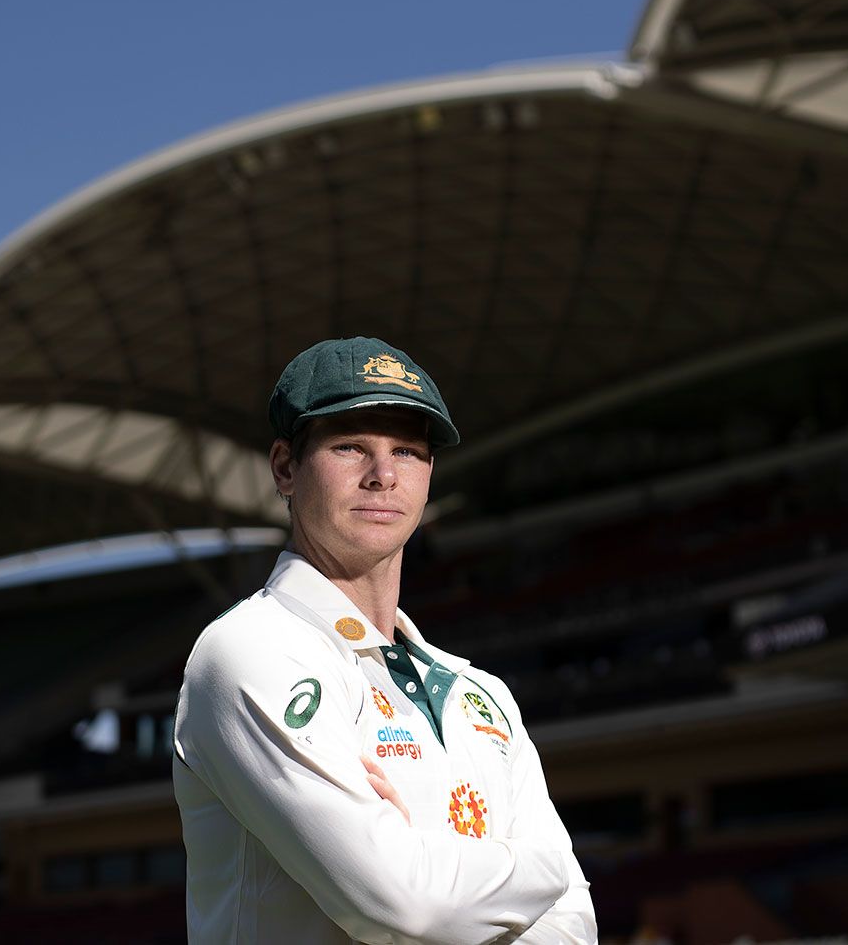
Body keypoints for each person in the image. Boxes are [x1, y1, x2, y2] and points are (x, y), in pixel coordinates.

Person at [172, 336, 597, 944]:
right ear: (285, 467)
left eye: (408, 451)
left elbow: (574, 930)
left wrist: (421, 857)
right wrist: (543, 869)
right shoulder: (248, 649)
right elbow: (398, 906)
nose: (384, 476)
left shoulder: (483, 693)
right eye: (350, 447)